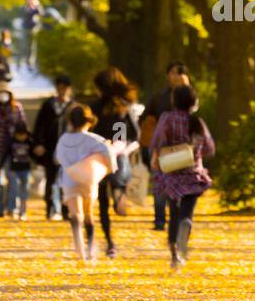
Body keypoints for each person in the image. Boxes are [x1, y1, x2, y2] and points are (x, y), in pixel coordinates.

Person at [149, 83, 215, 270]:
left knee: (173, 213)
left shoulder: (167, 118)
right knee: (187, 211)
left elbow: (158, 141)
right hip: (193, 172)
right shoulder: (197, 122)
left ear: (174, 100)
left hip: (171, 173)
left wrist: (155, 158)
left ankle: (174, 256)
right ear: (194, 102)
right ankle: (187, 223)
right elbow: (210, 148)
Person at [54, 104, 114, 261]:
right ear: (88, 121)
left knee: (75, 215)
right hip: (88, 180)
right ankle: (91, 248)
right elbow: (108, 152)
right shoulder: (95, 139)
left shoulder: (63, 140)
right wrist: (109, 168)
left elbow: (58, 157)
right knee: (89, 214)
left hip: (69, 180)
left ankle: (79, 248)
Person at [92, 67, 141, 257]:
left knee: (102, 201)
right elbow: (132, 134)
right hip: (118, 155)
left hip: (98, 156)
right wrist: (120, 145)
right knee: (118, 181)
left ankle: (110, 242)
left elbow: (90, 132)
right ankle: (119, 192)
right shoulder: (122, 108)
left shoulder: (94, 107)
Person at [139, 60, 190, 231]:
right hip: (160, 146)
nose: (177, 76)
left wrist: (187, 90)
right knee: (160, 183)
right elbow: (144, 117)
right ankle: (160, 220)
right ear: (167, 75)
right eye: (174, 72)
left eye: (180, 73)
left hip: (181, 146)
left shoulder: (189, 95)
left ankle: (178, 219)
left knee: (179, 184)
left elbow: (193, 111)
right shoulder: (158, 97)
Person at [32, 73, 73, 219]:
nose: (62, 91)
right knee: (51, 179)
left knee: (67, 182)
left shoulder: (73, 106)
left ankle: (65, 210)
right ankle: (49, 209)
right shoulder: (48, 105)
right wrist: (38, 143)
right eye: (59, 88)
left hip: (68, 150)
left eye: (64, 88)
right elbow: (39, 126)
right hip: (50, 148)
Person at [0, 87, 27, 217]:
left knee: (13, 179)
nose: (3, 96)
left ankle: (12, 207)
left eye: (5, 93)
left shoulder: (17, 108)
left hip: (14, 151)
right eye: (0, 93)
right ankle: (0, 208)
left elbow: (23, 126)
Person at [5, 122, 34, 219]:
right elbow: (6, 154)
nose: (21, 137)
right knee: (14, 189)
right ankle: (13, 209)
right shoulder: (11, 142)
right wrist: (0, 167)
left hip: (26, 169)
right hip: (14, 169)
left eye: (23, 135)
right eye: (19, 135)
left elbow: (34, 155)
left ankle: (23, 211)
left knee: (24, 191)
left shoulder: (29, 141)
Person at [17, 0, 42, 72]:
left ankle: (30, 64)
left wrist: (38, 5)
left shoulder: (36, 8)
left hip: (33, 30)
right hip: (25, 29)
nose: (30, 1)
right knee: (23, 47)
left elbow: (41, 13)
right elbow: (27, 13)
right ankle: (19, 64)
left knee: (32, 48)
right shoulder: (25, 8)